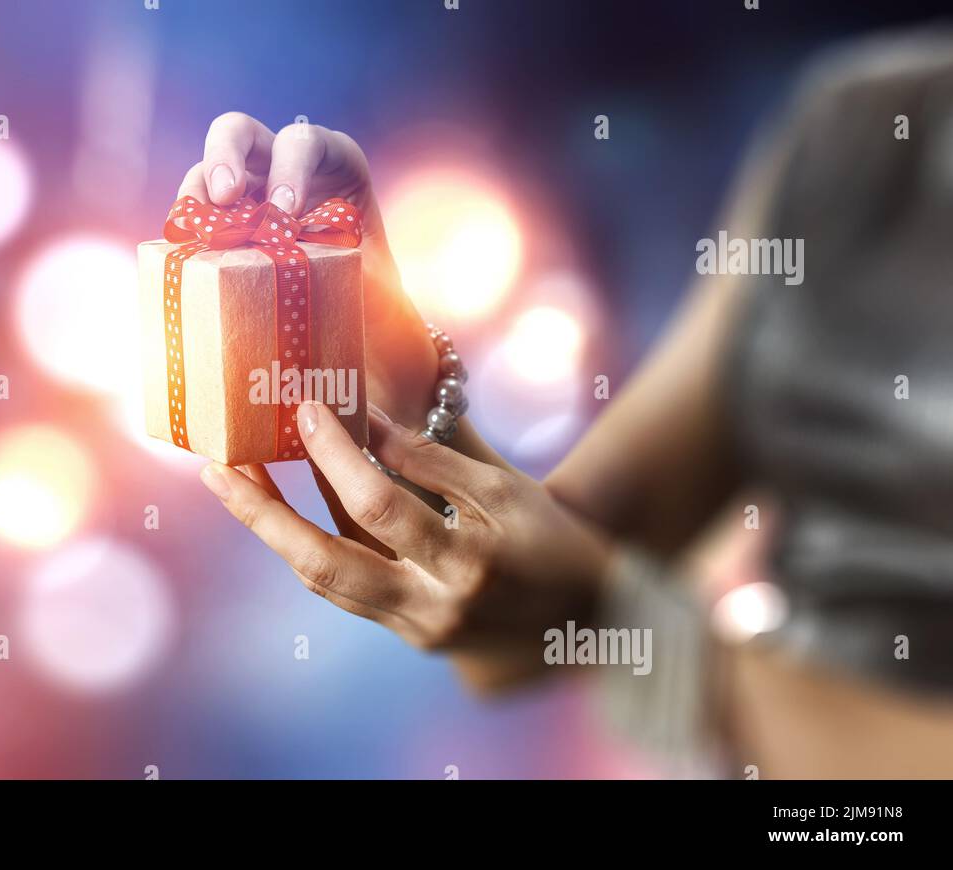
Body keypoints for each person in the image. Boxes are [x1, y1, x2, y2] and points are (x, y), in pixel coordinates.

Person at [188, 29, 953, 777]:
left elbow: (582, 606)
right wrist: (400, 377)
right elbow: (524, 629)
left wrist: (645, 636)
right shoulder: (863, 127)